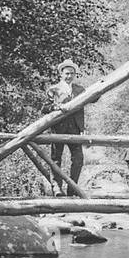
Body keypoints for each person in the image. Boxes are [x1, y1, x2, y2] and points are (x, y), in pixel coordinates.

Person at [45, 59, 88, 191]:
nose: (69, 76)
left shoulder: (80, 89)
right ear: (61, 74)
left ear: (75, 75)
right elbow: (45, 108)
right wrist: (58, 107)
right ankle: (56, 188)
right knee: (56, 159)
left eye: (72, 74)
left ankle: (72, 188)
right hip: (58, 128)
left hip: (75, 128)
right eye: (67, 73)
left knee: (78, 159)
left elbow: (94, 97)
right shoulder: (53, 89)